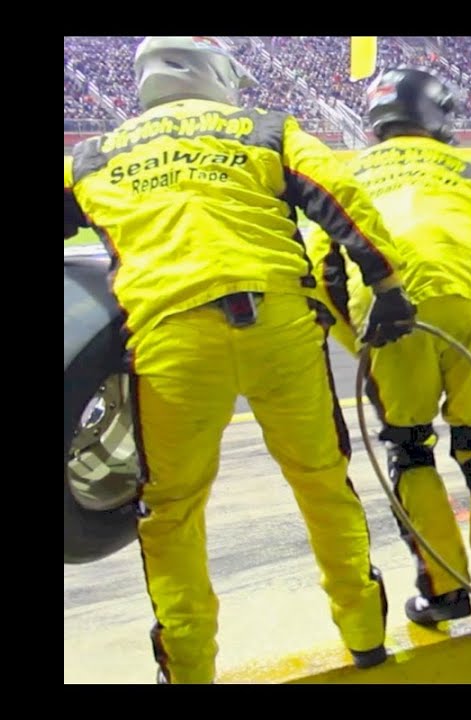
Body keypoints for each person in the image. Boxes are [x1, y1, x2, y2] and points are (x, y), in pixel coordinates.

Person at [62, 37, 418, 683]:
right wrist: (387, 284)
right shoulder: (263, 127)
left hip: (169, 340)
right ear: (218, 75)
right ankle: (366, 640)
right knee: (322, 487)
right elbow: (341, 196)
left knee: (171, 515)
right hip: (279, 328)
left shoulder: (90, 154)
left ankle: (189, 671)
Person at [304, 67, 471, 640]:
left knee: (409, 451)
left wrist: (360, 336)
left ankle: (445, 591)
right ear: (436, 115)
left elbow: (322, 268)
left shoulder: (345, 172)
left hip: (385, 311)